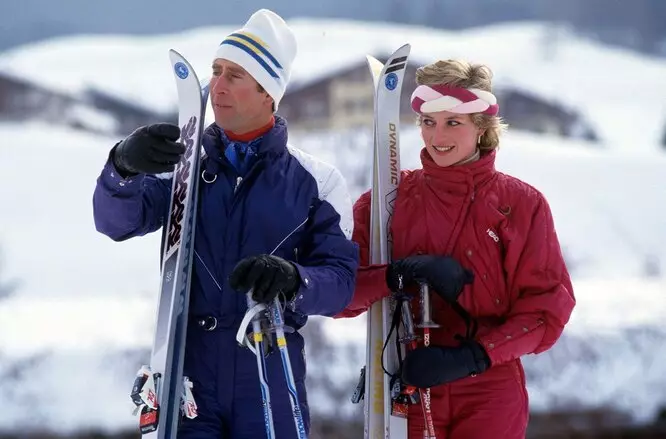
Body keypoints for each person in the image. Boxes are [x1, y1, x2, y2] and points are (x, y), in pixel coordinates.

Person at [92, 9, 359, 438]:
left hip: (270, 367)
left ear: (268, 92)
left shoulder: (318, 182)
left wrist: (295, 279)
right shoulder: (182, 169)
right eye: (216, 71)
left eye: (235, 75)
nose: (217, 86)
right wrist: (121, 168)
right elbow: (116, 222)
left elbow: (341, 282)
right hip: (189, 370)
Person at [336, 59, 576, 438]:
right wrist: (396, 275)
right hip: (406, 383)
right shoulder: (385, 201)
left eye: (453, 122)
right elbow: (341, 296)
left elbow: (546, 311)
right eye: (428, 122)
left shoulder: (520, 204)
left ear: (482, 127)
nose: (437, 135)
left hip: (489, 389)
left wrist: (472, 358)